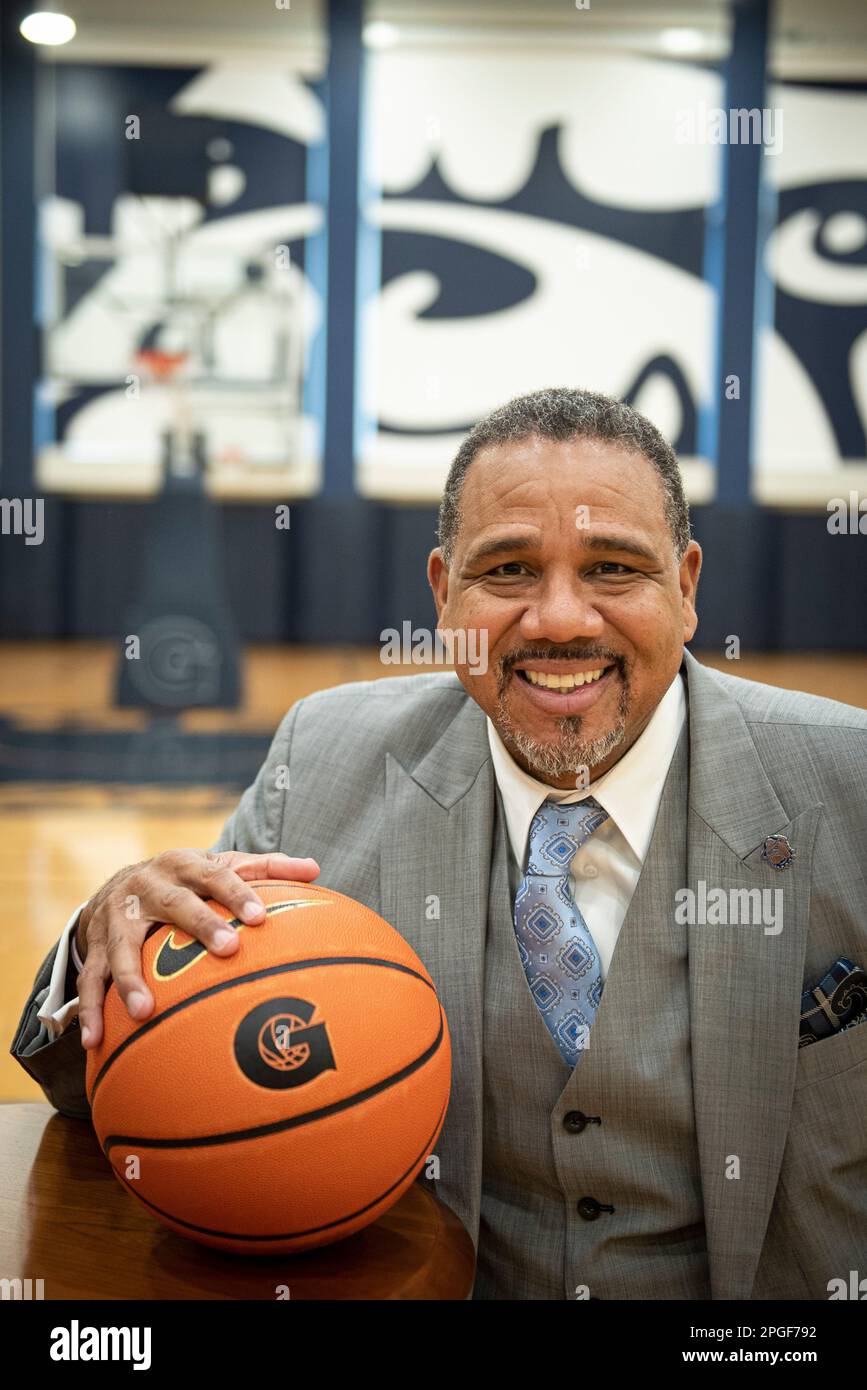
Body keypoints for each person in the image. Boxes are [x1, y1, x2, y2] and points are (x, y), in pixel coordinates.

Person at [11, 386, 867, 1300]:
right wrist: (102, 942)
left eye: (614, 569)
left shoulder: (846, 785)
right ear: (441, 593)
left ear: (687, 588)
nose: (560, 619)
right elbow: (146, 1084)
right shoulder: (325, 761)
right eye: (506, 572)